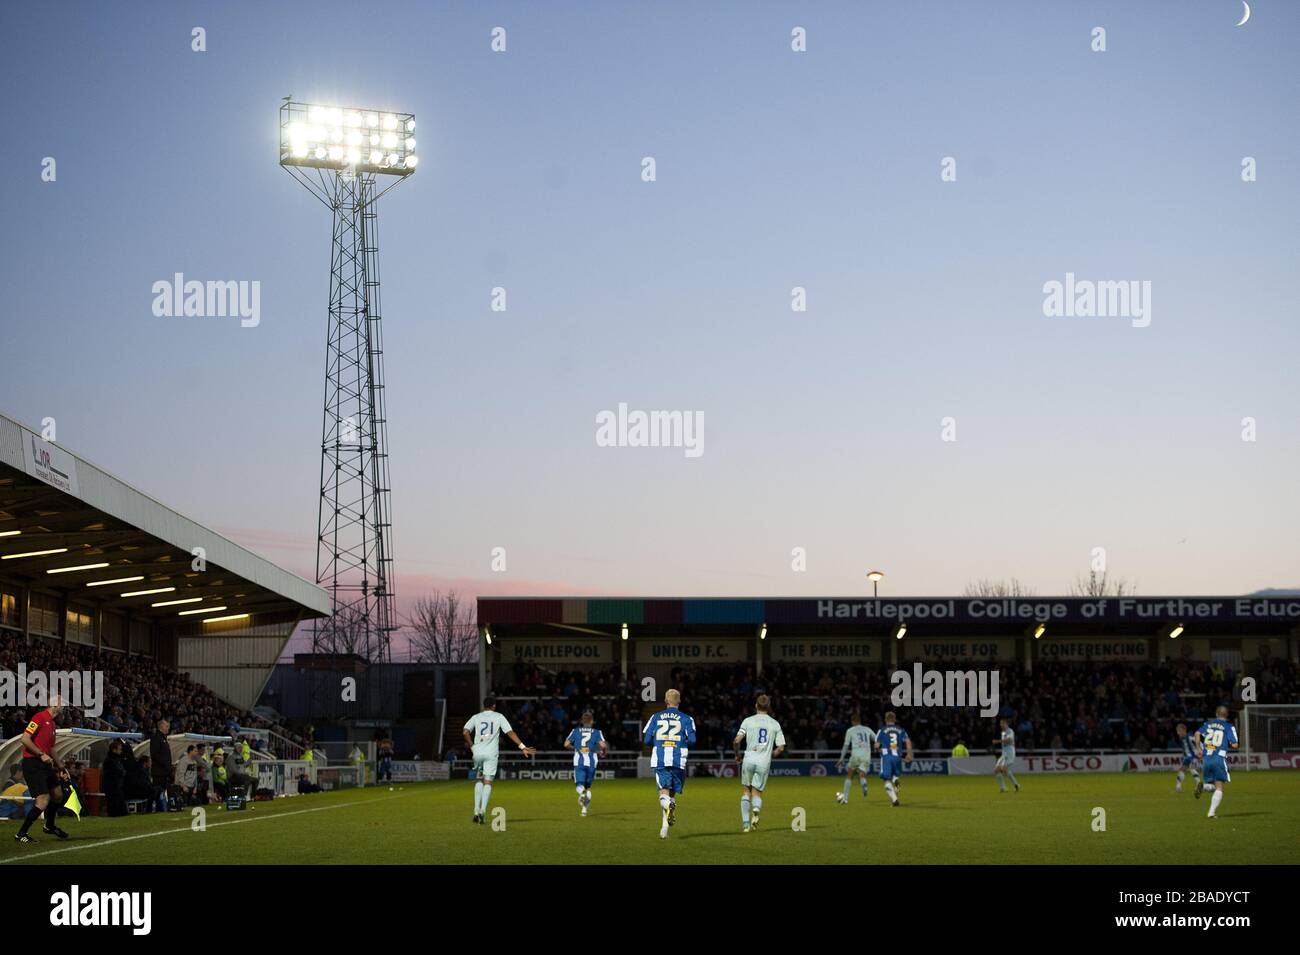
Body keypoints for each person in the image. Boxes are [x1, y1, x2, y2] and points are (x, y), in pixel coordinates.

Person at [461, 697, 535, 825]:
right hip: (491, 753)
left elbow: (465, 732)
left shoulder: (476, 717)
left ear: (484, 706)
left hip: (477, 751)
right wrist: (522, 747)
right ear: (494, 706)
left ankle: (475, 810)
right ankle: (483, 810)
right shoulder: (499, 716)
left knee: (479, 779)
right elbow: (510, 732)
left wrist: (472, 745)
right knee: (488, 782)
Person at [643, 688, 697, 840]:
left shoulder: (655, 717)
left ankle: (668, 808)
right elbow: (692, 740)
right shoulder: (687, 718)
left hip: (661, 759)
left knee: (663, 792)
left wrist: (659, 742)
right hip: (678, 759)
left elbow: (646, 740)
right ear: (679, 701)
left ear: (666, 701)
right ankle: (664, 829)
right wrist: (679, 743)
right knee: (671, 793)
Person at [14, 696, 69, 843]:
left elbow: (51, 748)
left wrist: (61, 767)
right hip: (33, 763)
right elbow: (25, 739)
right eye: (61, 702)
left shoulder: (52, 724)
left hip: (45, 764)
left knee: (58, 795)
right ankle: (21, 834)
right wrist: (41, 754)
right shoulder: (39, 717)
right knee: (43, 800)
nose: (63, 705)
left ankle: (49, 826)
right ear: (54, 705)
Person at [734, 694, 785, 832]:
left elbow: (737, 741)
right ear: (769, 707)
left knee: (746, 791)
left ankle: (745, 825)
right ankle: (756, 808)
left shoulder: (747, 721)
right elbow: (781, 747)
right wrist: (772, 754)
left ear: (756, 706)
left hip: (749, 759)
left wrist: (738, 755)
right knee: (757, 792)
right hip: (763, 761)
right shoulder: (775, 724)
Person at [1194, 706, 1239, 819]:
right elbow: (1235, 745)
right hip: (1219, 758)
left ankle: (1204, 787)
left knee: (1213, 785)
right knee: (1219, 787)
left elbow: (1197, 734)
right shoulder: (1229, 726)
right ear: (1227, 715)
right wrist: (1224, 743)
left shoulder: (1208, 724)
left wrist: (1199, 749)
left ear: (1216, 713)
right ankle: (1211, 813)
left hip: (1206, 758)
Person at [563, 710, 606, 817]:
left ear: (582, 721)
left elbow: (566, 744)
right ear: (592, 721)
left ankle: (582, 794)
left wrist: (574, 748)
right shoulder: (597, 732)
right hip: (592, 761)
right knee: (588, 787)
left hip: (579, 761)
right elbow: (603, 746)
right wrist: (602, 753)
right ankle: (584, 810)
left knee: (579, 786)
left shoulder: (575, 731)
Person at [836, 711, 876, 804]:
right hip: (866, 755)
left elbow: (846, 745)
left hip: (855, 754)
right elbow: (877, 739)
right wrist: (878, 748)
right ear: (860, 721)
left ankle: (845, 799)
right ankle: (864, 783)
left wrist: (841, 758)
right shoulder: (867, 729)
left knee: (849, 775)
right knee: (862, 774)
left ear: (852, 721)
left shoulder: (850, 730)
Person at [874, 711, 912, 807]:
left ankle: (895, 800)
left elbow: (877, 745)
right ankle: (896, 781)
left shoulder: (882, 730)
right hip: (897, 756)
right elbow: (908, 741)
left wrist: (877, 750)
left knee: (886, 779)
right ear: (894, 719)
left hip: (886, 756)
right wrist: (909, 754)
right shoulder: (900, 729)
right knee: (895, 774)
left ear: (885, 720)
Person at [150, 719, 174, 811]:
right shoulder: (156, 737)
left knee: (163, 791)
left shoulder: (163, 738)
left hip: (164, 771)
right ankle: (153, 807)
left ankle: (162, 807)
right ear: (161, 726)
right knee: (157, 791)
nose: (168, 728)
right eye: (166, 726)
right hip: (159, 771)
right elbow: (155, 754)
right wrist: (165, 764)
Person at [102, 739, 129, 817]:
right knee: (114, 807)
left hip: (117, 786)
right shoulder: (110, 760)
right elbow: (119, 772)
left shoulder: (116, 759)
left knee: (119, 806)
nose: (121, 751)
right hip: (113, 787)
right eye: (119, 749)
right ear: (114, 750)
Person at [993, 717, 1020, 793]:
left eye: (1002, 723)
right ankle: (1003, 788)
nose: (1001, 725)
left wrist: (998, 741)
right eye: (1000, 723)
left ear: (1006, 724)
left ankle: (1016, 784)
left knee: (1004, 768)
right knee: (996, 770)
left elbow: (1010, 739)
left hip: (1010, 752)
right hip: (1004, 754)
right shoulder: (1003, 732)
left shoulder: (1010, 731)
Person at [1174, 722, 1202, 794]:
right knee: (1183, 770)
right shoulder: (1182, 738)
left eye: (1179, 731)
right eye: (1177, 731)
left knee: (1190, 769)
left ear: (1184, 730)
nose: (1178, 733)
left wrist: (1200, 753)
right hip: (1187, 757)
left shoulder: (1189, 737)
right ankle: (1178, 787)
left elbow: (1199, 743)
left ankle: (1198, 784)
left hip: (1193, 756)